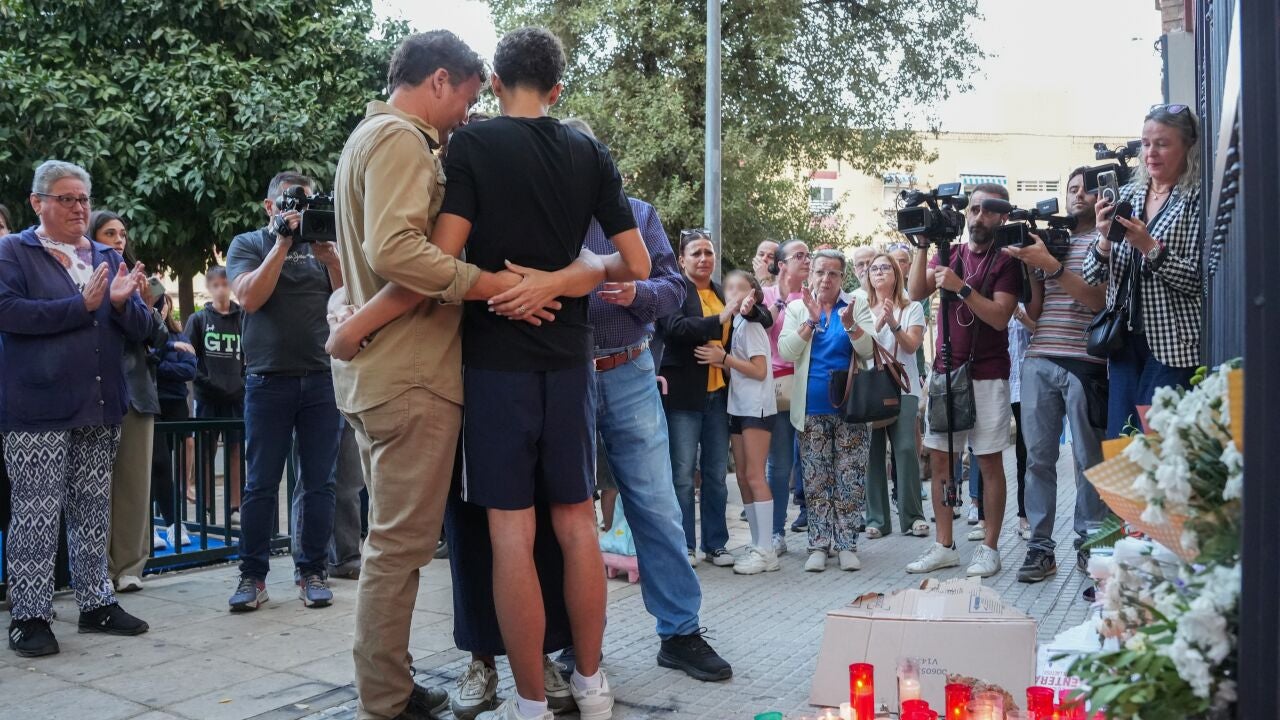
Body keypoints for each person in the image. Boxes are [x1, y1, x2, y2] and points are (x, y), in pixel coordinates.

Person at [326, 28, 648, 720]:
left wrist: (356, 320)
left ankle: (529, 702)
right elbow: (637, 265)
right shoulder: (589, 150)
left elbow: (426, 257)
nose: (465, 112)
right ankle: (590, 686)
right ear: (558, 88)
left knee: (508, 532)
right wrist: (568, 277)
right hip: (565, 358)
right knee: (577, 526)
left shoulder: (464, 147)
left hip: (491, 363)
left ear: (497, 83)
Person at [560, 116, 731, 682]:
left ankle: (680, 632)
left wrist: (636, 293)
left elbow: (674, 287)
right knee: (569, 513)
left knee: (657, 507)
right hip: (563, 376)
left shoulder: (635, 214)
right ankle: (576, 643)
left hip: (630, 370)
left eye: (589, 157)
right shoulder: (545, 210)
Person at [1, 160, 152, 657]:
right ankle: (29, 616)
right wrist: (81, 306)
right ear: (37, 202)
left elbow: (140, 329)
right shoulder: (13, 251)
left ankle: (96, 603)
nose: (78, 208)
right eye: (65, 199)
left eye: (83, 199)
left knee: (93, 509)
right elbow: (9, 313)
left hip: (101, 403)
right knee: (36, 513)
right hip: (37, 409)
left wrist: (124, 303)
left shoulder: (106, 254)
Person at [224, 171, 344, 612]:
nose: (298, 212)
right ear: (269, 206)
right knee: (260, 485)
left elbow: (353, 296)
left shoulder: (324, 244)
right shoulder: (248, 244)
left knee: (319, 483)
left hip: (321, 377)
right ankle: (252, 577)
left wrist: (331, 257)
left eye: (305, 204)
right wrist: (280, 243)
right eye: (289, 204)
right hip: (267, 379)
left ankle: (312, 571)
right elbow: (248, 298)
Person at [906, 182, 1021, 578]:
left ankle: (989, 547)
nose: (978, 217)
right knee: (941, 458)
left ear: (1002, 215)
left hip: (988, 374)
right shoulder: (950, 253)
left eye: (988, 211)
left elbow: (1000, 316)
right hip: (945, 369)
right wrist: (922, 245)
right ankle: (944, 545)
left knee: (989, 461)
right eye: (973, 210)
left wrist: (962, 287)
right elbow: (915, 290)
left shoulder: (1006, 261)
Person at [1005, 167, 1111, 582]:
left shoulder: (1104, 239)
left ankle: (1089, 544)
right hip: (1040, 358)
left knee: (1089, 460)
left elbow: (1097, 300)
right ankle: (1039, 548)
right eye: (1071, 189)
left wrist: (1050, 265)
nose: (1078, 195)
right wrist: (1032, 269)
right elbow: (1034, 314)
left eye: (1086, 189)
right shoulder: (1047, 243)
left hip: (1086, 362)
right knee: (1037, 460)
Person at [1083, 104, 1203, 438]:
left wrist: (1149, 246)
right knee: (1120, 444)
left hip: (1172, 346)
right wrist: (1105, 240)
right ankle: (1119, 496)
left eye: (1162, 143)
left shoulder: (1195, 199)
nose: (1151, 152)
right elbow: (1092, 275)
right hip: (1122, 340)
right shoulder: (1129, 195)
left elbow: (1195, 281)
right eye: (1146, 143)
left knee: (1155, 445)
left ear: (1187, 147)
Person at [660, 230, 771, 568]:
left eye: (708, 252)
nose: (704, 258)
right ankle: (685, 545)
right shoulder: (673, 291)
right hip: (683, 397)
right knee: (682, 474)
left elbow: (763, 317)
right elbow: (675, 329)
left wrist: (749, 309)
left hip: (719, 396)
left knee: (715, 474)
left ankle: (716, 544)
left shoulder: (724, 291)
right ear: (682, 259)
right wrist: (719, 320)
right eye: (696, 253)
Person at [778, 248, 874, 572]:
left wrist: (851, 327)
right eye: (820, 272)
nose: (826, 279)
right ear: (811, 274)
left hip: (852, 407)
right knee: (816, 478)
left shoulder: (856, 305)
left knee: (850, 476)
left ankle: (846, 544)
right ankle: (819, 545)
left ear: (842, 277)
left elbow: (870, 350)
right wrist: (811, 321)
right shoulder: (796, 308)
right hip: (811, 407)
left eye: (833, 273)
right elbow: (786, 350)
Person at [91, 210, 169, 593]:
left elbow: (158, 339)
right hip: (92, 393)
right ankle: (96, 569)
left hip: (136, 391)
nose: (118, 239)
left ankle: (130, 567)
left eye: (122, 233)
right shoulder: (79, 274)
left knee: (135, 485)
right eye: (109, 232)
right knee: (93, 486)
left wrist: (145, 306)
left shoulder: (143, 280)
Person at [705, 270, 778, 574]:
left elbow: (760, 371)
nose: (733, 292)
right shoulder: (734, 323)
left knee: (755, 475)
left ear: (753, 293)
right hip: (738, 406)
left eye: (741, 287)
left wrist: (723, 360)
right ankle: (757, 543)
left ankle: (767, 550)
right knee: (745, 478)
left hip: (756, 407)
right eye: (729, 287)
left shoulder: (751, 325)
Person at [862, 253, 928, 539]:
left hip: (904, 386)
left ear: (896, 274)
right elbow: (858, 346)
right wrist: (876, 323)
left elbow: (912, 346)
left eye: (885, 268)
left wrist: (893, 323)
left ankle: (912, 516)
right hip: (870, 388)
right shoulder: (860, 308)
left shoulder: (911, 307)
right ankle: (877, 518)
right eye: (874, 268)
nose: (878, 272)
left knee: (904, 449)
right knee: (873, 453)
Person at [182, 266, 244, 520]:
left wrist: (242, 383)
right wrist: (206, 383)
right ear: (208, 287)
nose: (221, 289)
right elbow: (188, 357)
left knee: (236, 450)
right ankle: (205, 506)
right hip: (207, 398)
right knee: (206, 451)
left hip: (237, 396)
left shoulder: (243, 318)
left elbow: (252, 355)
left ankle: (235, 507)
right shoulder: (198, 320)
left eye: (225, 283)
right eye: (215, 284)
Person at [763, 240, 811, 548]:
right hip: (778, 389)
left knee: (814, 462)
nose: (807, 261)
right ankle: (775, 532)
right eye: (799, 256)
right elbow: (757, 330)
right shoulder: (765, 295)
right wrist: (779, 299)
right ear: (782, 265)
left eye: (809, 255)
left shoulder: (816, 295)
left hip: (811, 387)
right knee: (779, 465)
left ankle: (821, 532)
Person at [149, 293, 197, 549]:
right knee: (158, 462)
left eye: (162, 304)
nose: (160, 310)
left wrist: (162, 366)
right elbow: (149, 359)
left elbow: (189, 369)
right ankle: (154, 524)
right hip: (151, 403)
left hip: (176, 403)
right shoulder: (150, 335)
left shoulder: (179, 336)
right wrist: (166, 360)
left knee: (174, 459)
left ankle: (172, 522)